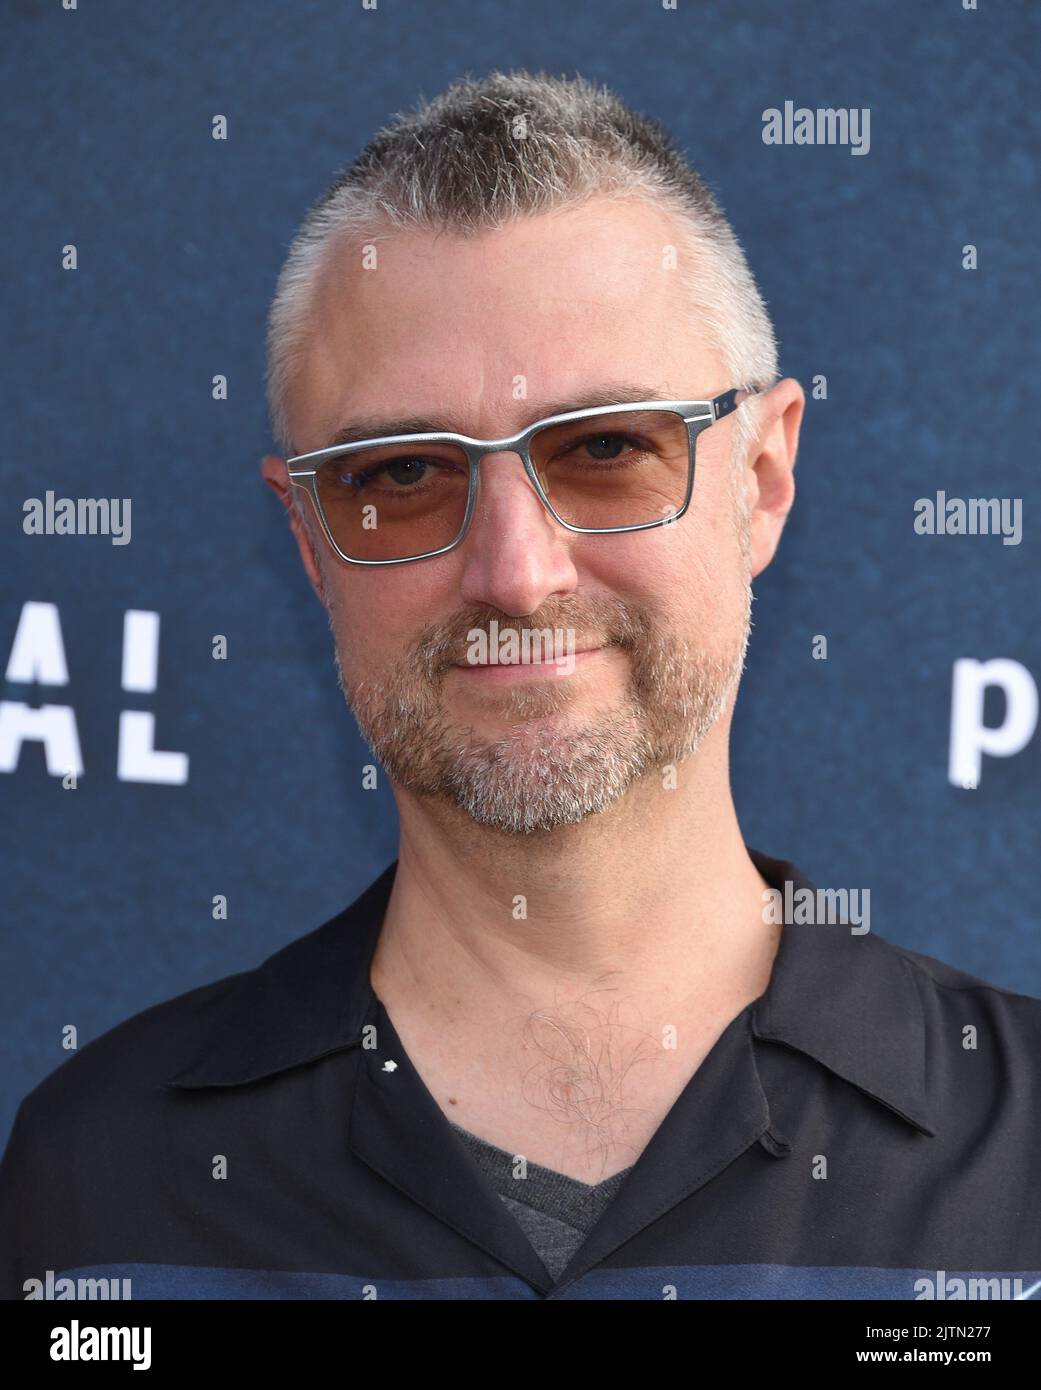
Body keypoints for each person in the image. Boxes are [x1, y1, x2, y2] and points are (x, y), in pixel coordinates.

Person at [3, 70, 1039, 1302]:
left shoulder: (1020, 1160)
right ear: (308, 541)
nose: (512, 569)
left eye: (605, 450)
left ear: (763, 475)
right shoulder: (102, 1182)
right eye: (401, 473)